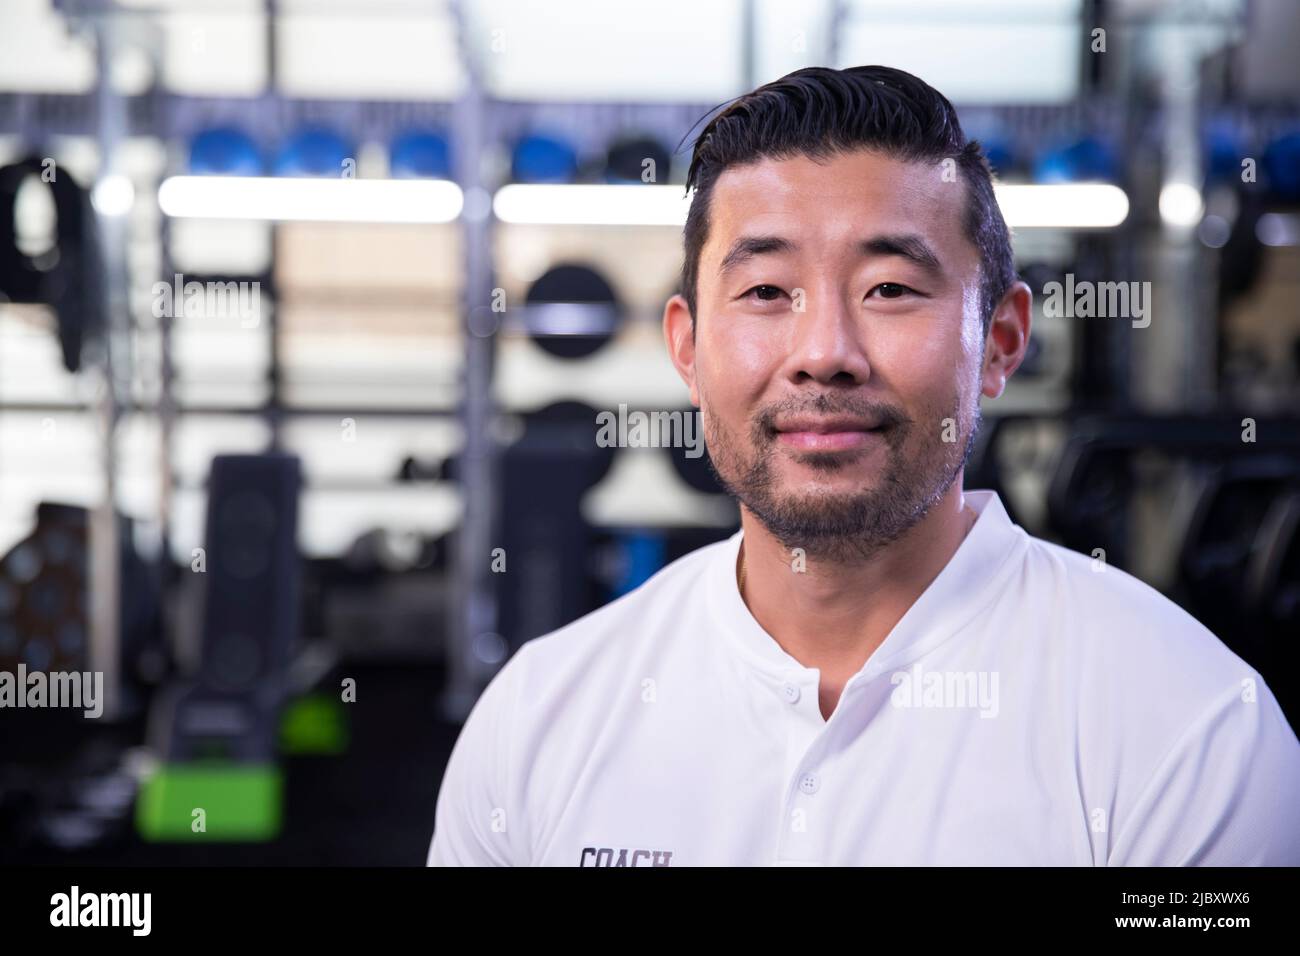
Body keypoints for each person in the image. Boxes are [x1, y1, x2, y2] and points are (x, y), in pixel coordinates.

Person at [428, 65, 1300, 866]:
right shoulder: (537, 722)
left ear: (1000, 342)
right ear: (687, 349)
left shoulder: (1191, 728)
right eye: (766, 292)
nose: (824, 353)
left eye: (889, 289)